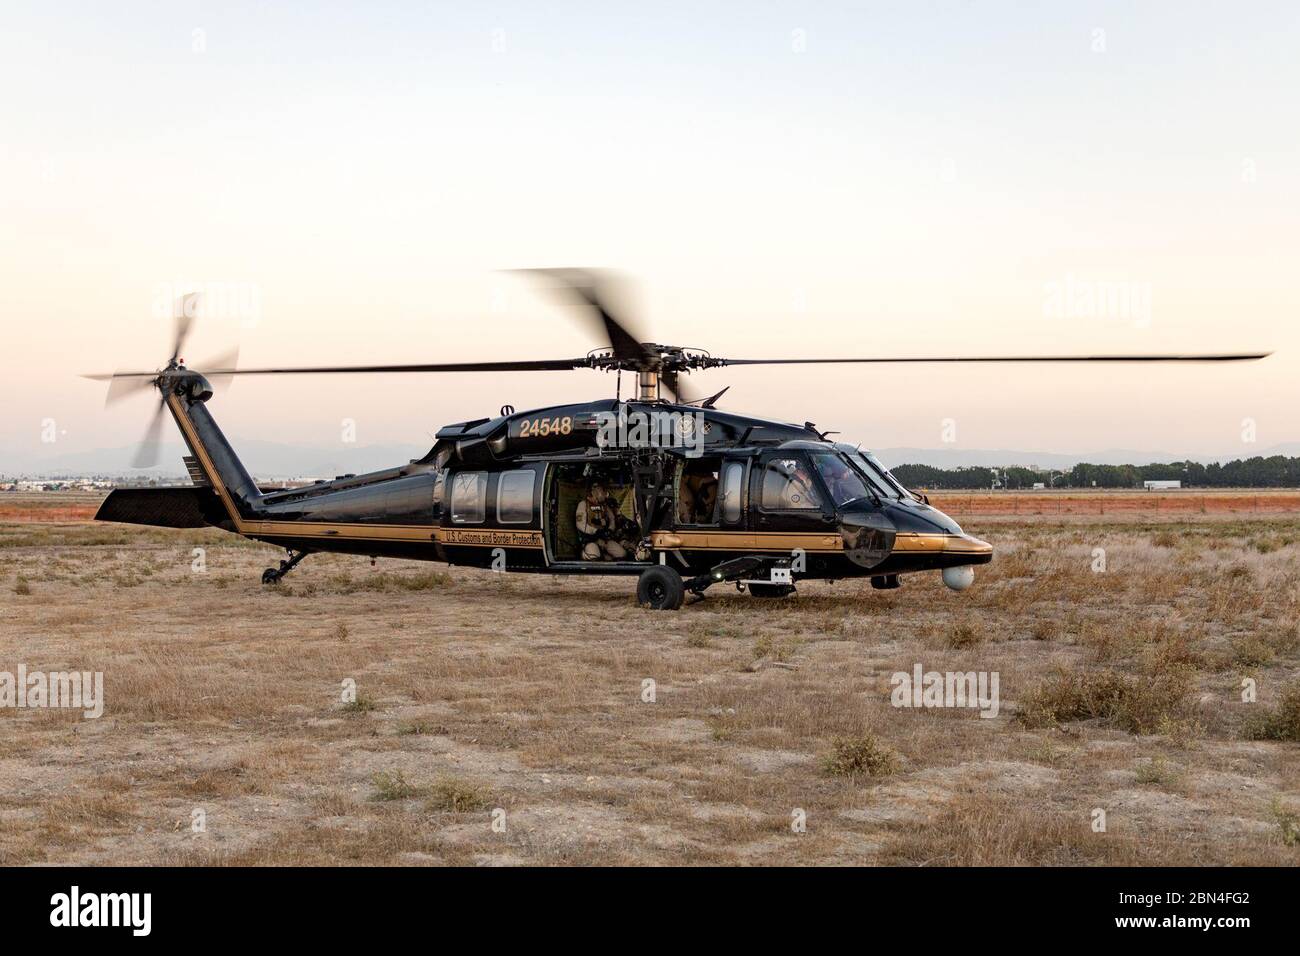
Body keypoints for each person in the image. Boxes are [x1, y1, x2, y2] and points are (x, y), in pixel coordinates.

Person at [576, 482, 627, 561]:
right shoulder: (583, 504)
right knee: (594, 555)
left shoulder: (604, 506)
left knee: (621, 554)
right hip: (590, 539)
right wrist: (595, 531)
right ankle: (585, 554)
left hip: (604, 538)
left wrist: (610, 529)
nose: (605, 494)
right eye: (602, 491)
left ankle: (605, 557)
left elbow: (612, 518)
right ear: (595, 492)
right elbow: (580, 524)